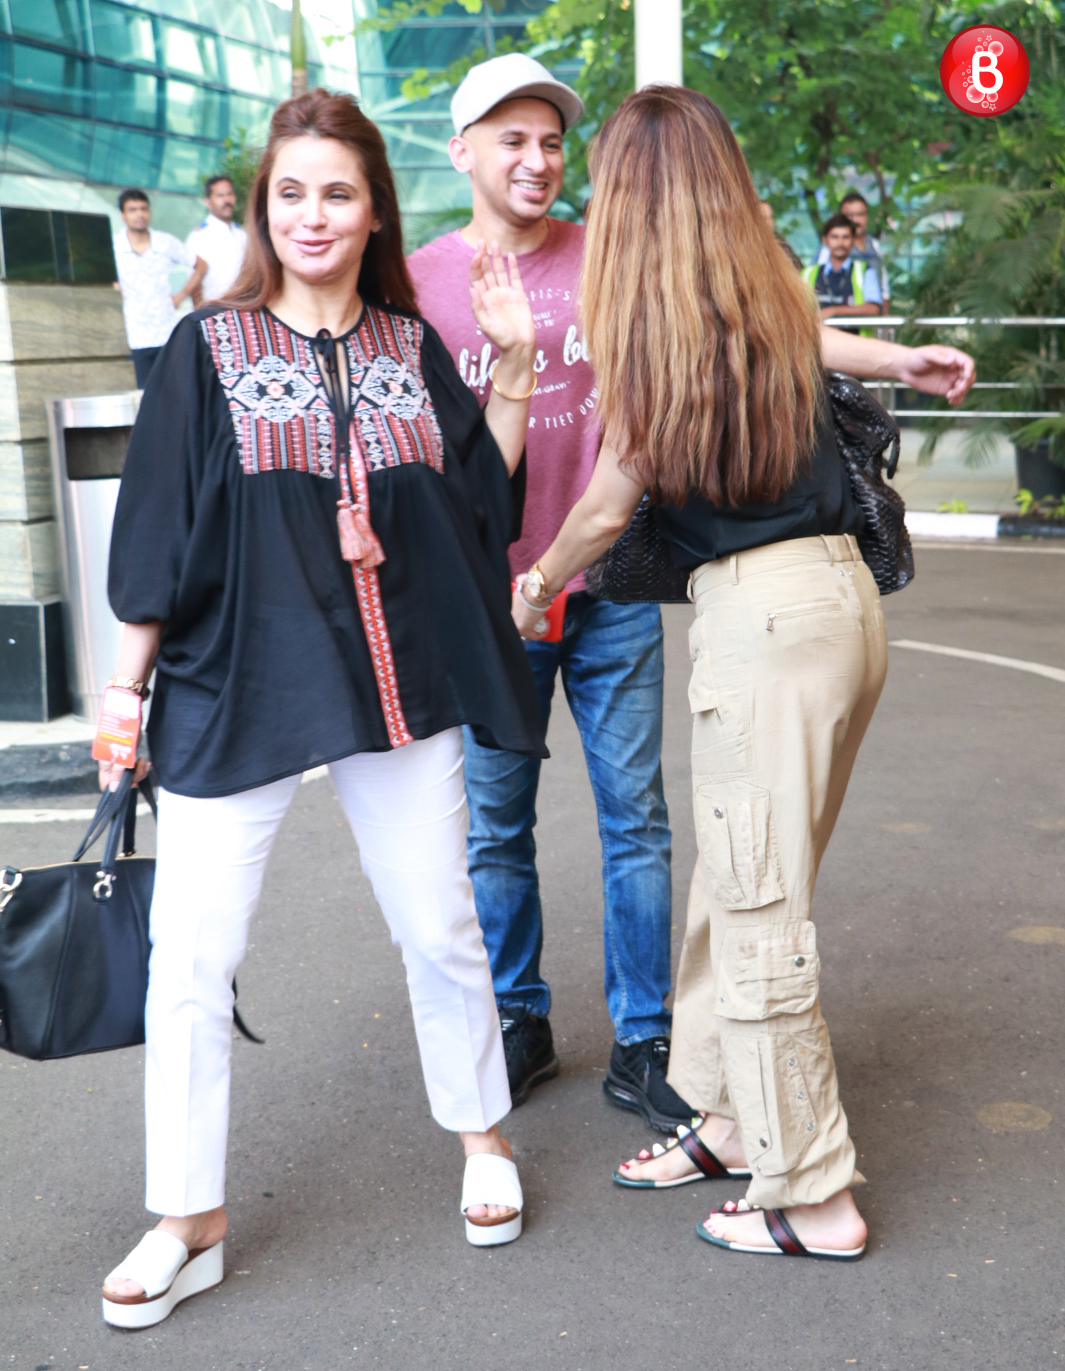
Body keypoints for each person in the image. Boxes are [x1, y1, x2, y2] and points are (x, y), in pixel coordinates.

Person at [95, 88, 544, 1329]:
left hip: (397, 687)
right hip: (234, 678)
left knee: (441, 924)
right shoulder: (205, 351)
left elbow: (476, 512)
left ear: (372, 212)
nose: (310, 213)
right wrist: (121, 691)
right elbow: (156, 530)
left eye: (336, 190)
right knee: (190, 959)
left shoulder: (411, 349)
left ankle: (483, 1137)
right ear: (261, 206)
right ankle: (189, 1220)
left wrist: (508, 370)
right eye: (289, 189)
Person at [511, 86, 975, 1261]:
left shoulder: (651, 313)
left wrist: (537, 581)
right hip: (840, 604)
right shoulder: (749, 277)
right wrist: (908, 360)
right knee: (733, 879)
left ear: (624, 195)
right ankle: (723, 1115)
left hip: (763, 625)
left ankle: (812, 1194)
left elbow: (614, 496)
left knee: (759, 909)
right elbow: (820, 340)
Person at [408, 53, 691, 1132]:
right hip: (488, 604)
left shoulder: (608, 257)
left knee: (638, 820)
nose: (537, 160)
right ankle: (518, 1021)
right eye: (513, 140)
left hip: (611, 578)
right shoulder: (423, 283)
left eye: (551, 141)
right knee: (493, 829)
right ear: (464, 151)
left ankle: (646, 1037)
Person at [112, 188, 206, 387]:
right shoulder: (114, 246)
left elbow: (201, 265)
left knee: (176, 394)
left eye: (144, 209)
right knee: (144, 399)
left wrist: (181, 296)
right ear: (123, 216)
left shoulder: (165, 242)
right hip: (134, 337)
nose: (139, 214)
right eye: (133, 209)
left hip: (167, 334)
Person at [815, 191, 890, 314]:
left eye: (860, 214)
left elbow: (883, 287)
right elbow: (819, 280)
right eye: (850, 215)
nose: (855, 220)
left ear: (867, 216)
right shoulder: (829, 249)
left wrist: (887, 322)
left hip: (868, 321)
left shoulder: (874, 244)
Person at [803, 213, 881, 321]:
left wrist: (833, 311)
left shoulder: (865, 271)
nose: (840, 243)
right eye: (834, 237)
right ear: (824, 240)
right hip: (818, 336)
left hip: (853, 336)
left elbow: (874, 309)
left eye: (845, 237)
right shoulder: (808, 273)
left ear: (853, 240)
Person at [187, 175, 248, 304]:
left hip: (243, 307)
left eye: (229, 194)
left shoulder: (241, 233)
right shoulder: (200, 236)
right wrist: (200, 313)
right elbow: (193, 281)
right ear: (208, 202)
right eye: (220, 195)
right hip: (214, 311)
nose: (227, 200)